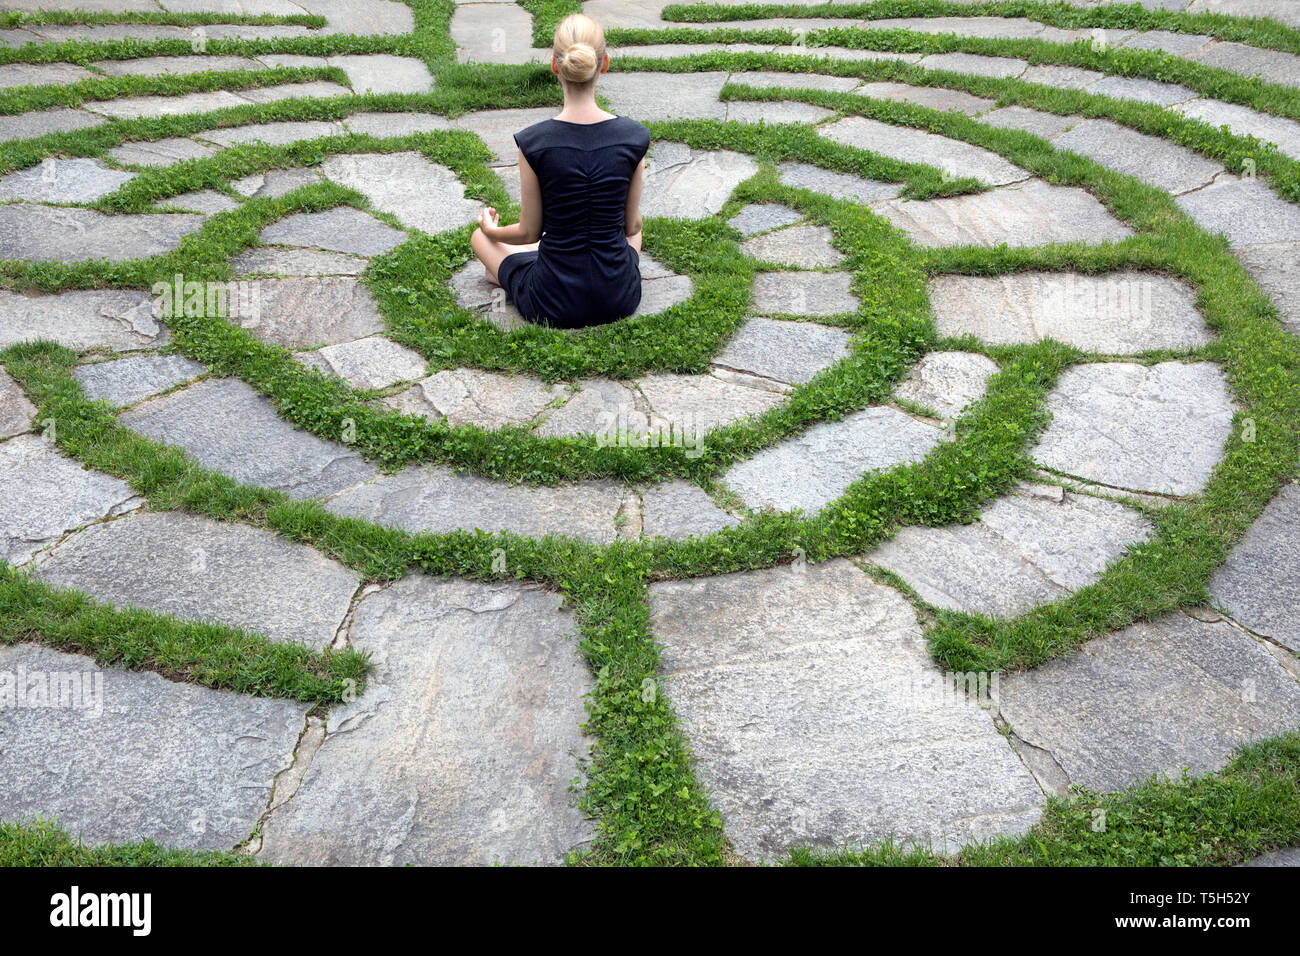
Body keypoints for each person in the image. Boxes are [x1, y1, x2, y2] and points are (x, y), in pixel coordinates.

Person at [469, 13, 650, 329]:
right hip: (619, 297)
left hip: (552, 302)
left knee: (479, 238)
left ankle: (505, 269)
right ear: (604, 63)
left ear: (555, 66)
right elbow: (630, 226)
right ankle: (511, 267)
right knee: (636, 234)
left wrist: (491, 231)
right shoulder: (634, 137)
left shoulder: (534, 142)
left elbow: (529, 232)